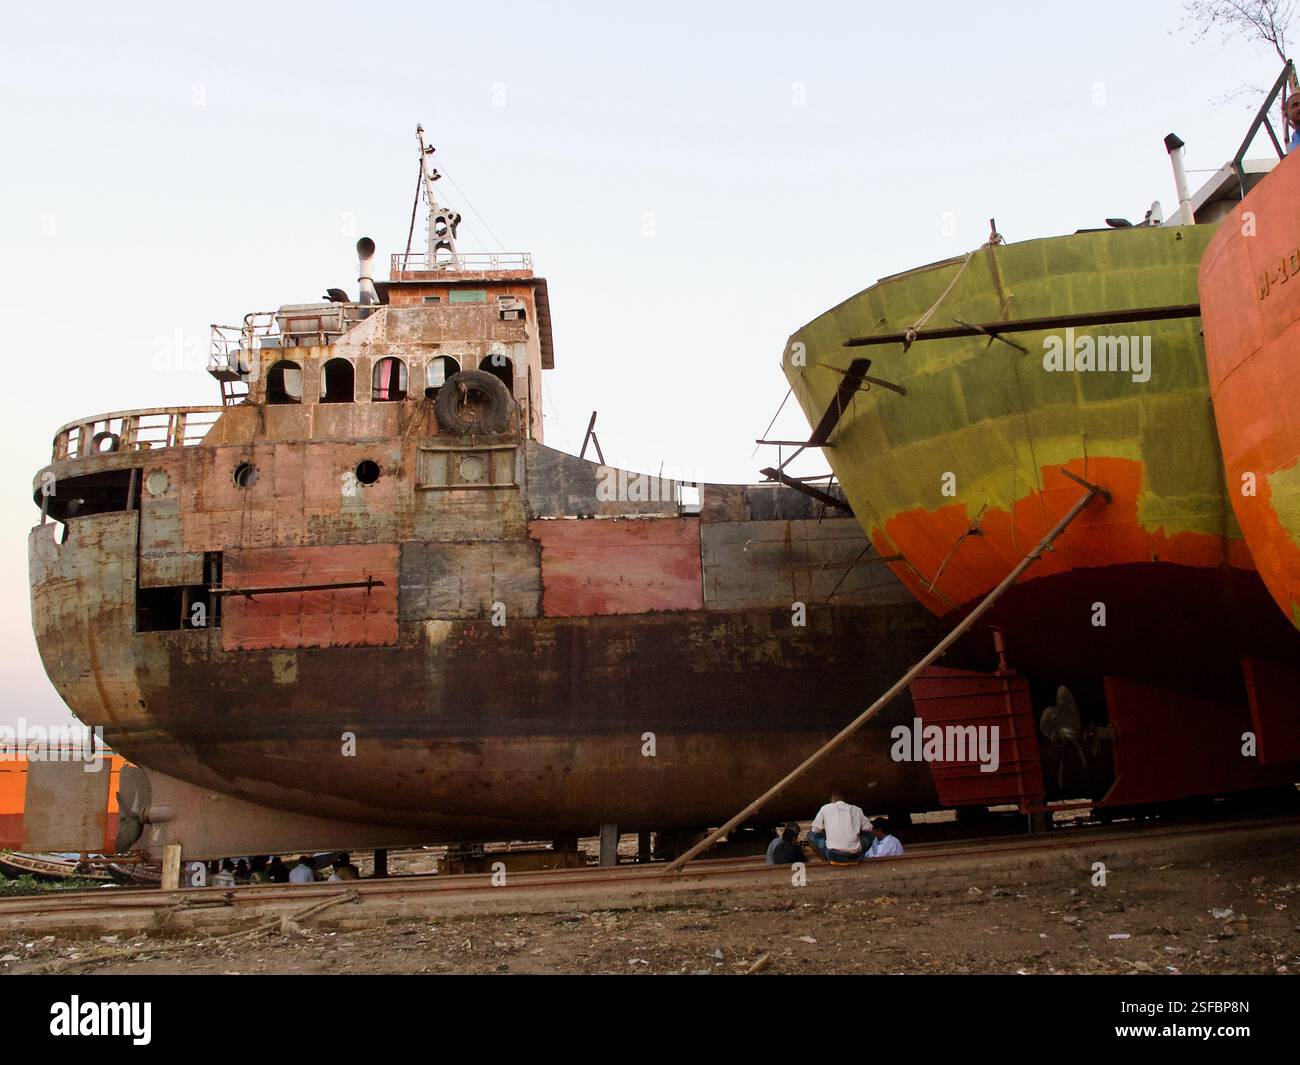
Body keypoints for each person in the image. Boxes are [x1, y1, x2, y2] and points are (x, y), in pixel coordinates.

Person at [807, 789, 870, 862]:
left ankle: (825, 861)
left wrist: (826, 831)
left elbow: (815, 830)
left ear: (832, 799)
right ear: (844, 800)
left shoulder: (825, 808)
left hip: (833, 855)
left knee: (810, 835)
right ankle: (860, 855)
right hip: (855, 854)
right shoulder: (857, 810)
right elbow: (868, 828)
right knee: (870, 835)